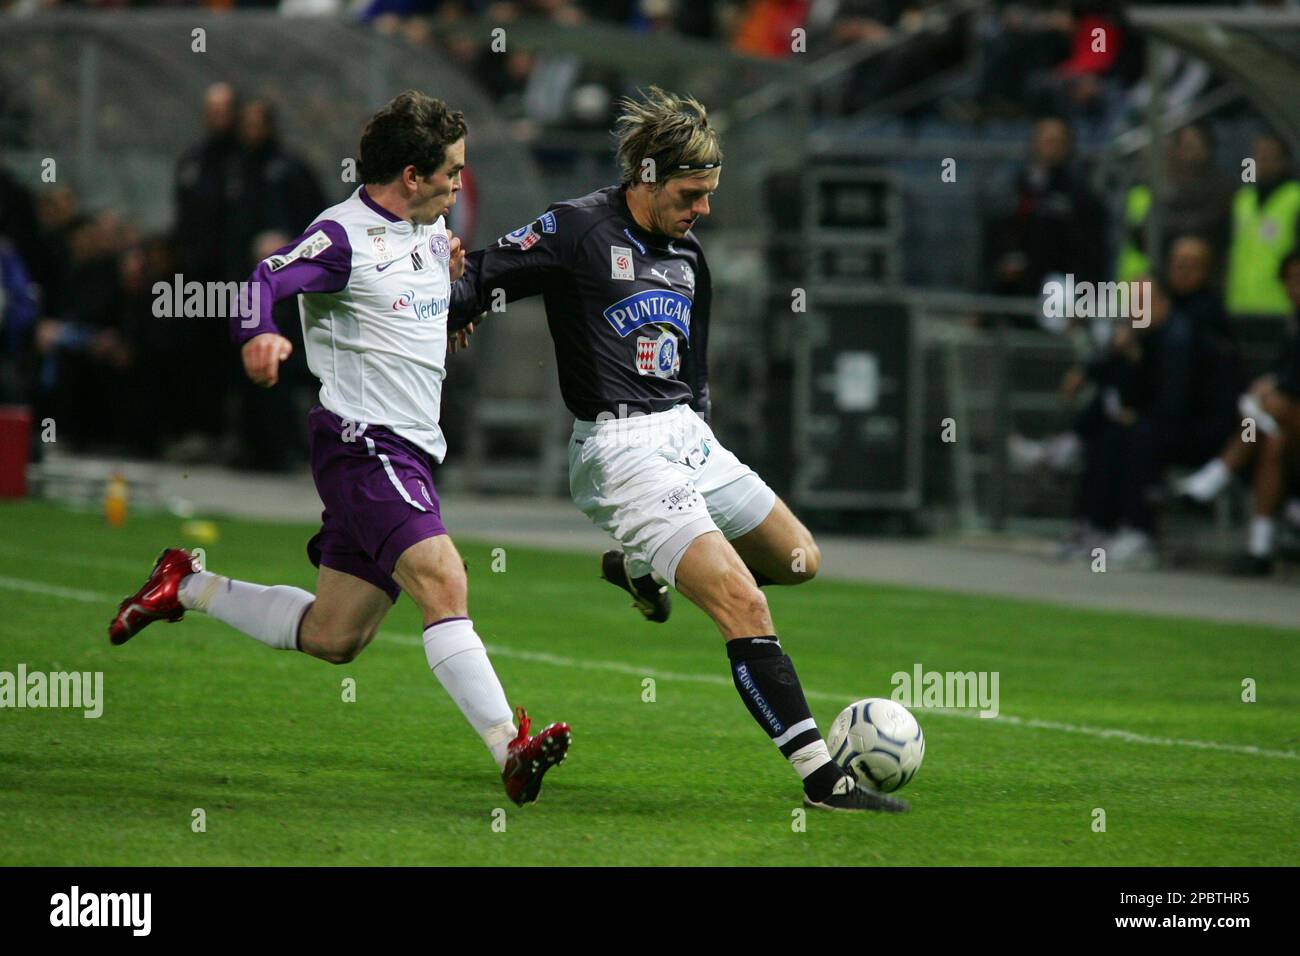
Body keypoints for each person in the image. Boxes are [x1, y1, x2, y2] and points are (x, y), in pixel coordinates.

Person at [448, 86, 906, 813]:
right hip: (620, 448)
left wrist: (704, 440)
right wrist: (458, 307)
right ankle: (825, 779)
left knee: (799, 561)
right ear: (650, 176)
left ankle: (637, 565)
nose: (704, 209)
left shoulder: (691, 259)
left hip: (689, 435)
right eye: (693, 193)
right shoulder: (577, 228)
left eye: (710, 194)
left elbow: (693, 371)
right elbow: (481, 271)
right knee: (741, 601)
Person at [108, 90, 571, 807]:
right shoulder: (344, 237)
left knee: (335, 636)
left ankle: (186, 584)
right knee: (445, 582)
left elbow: (415, 303)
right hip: (364, 446)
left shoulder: (427, 227)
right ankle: (509, 747)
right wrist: (258, 333)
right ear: (411, 175)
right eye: (450, 170)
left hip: (411, 451)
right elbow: (264, 279)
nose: (459, 183)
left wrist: (447, 312)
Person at [1178, 250, 1300, 575]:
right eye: (1289, 280)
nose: (1294, 288)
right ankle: (1260, 549)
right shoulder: (1294, 322)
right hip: (1287, 432)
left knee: (1263, 411)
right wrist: (1267, 386)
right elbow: (1284, 373)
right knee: (1271, 439)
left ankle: (1217, 474)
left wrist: (1267, 393)